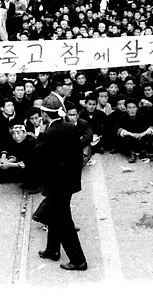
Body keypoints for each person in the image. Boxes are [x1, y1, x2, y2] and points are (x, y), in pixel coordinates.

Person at [35, 97, 88, 271]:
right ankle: (52, 250)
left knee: (63, 222)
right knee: (56, 217)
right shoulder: (69, 127)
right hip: (69, 181)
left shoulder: (50, 132)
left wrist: (39, 134)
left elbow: (38, 153)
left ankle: (78, 260)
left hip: (57, 183)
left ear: (44, 114)